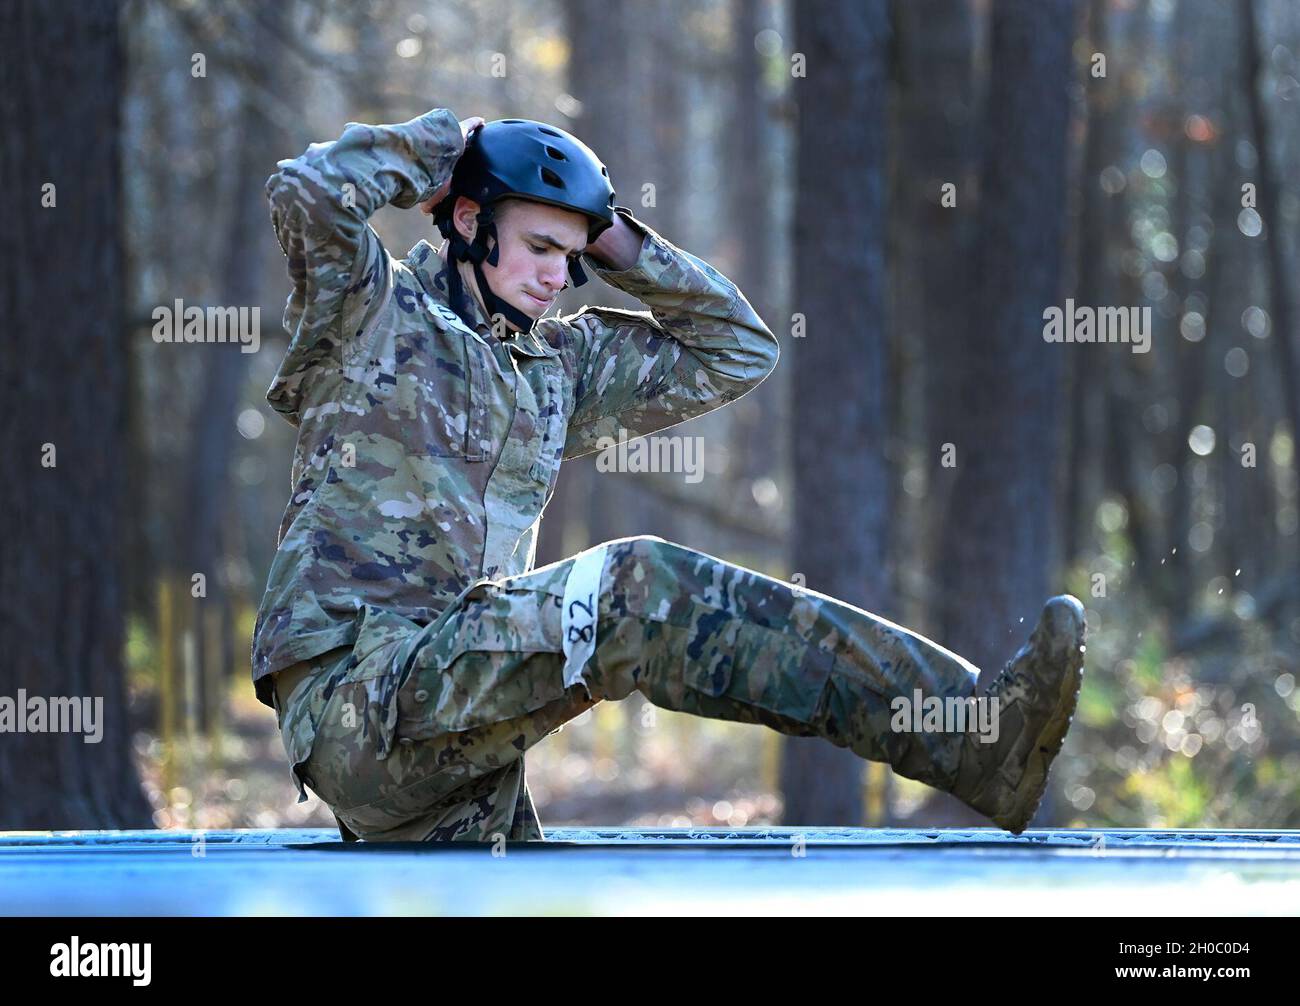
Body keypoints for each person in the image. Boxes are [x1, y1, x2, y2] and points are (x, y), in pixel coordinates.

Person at [254, 108, 1087, 842]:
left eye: (571, 257)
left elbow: (738, 349)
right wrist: (447, 145)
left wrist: (617, 238)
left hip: (461, 737)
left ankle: (977, 734)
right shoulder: (370, 314)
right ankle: (977, 740)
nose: (555, 275)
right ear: (468, 219)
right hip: (357, 708)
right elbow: (304, 192)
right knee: (635, 589)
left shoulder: (555, 370)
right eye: (540, 246)